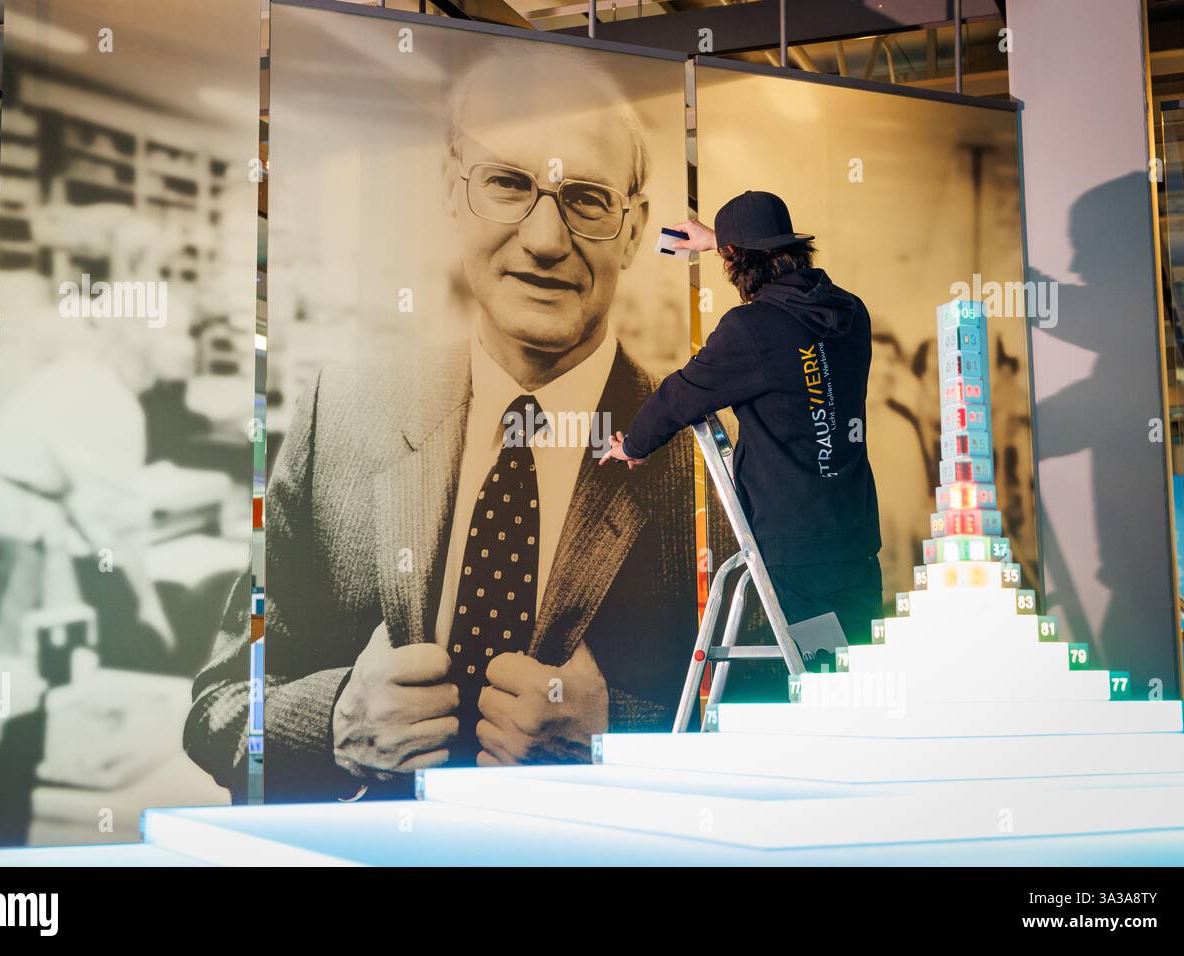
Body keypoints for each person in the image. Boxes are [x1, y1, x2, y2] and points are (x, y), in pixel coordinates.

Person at [185, 48, 698, 802]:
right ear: (454, 195)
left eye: (585, 199)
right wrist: (334, 722)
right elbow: (219, 705)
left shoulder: (706, 464)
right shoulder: (342, 415)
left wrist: (621, 736)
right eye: (508, 184)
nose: (546, 239)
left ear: (633, 228)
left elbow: (795, 710)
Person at [600, 191, 883, 647]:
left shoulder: (752, 330)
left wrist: (633, 444)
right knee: (863, 680)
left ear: (735, 261)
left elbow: (680, 395)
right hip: (855, 539)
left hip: (796, 547)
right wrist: (722, 240)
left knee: (815, 688)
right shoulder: (851, 312)